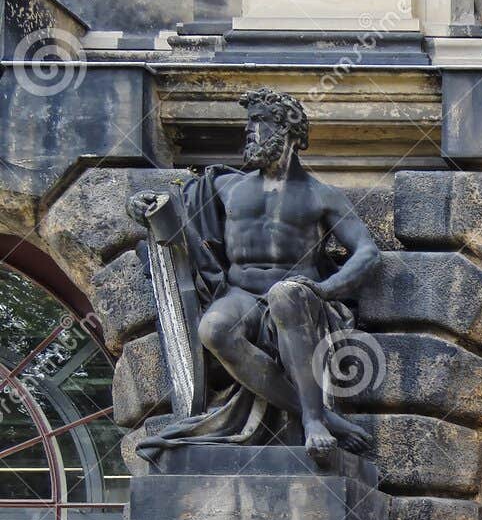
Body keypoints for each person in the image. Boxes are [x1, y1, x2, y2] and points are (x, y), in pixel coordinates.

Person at [131, 87, 380, 465]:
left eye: (260, 122)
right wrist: (144, 207)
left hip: (298, 295)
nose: (249, 131)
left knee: (285, 294)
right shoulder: (224, 185)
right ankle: (321, 415)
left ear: (289, 133)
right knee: (213, 329)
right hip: (240, 294)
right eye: (249, 122)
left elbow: (367, 252)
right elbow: (176, 219)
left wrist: (326, 290)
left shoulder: (320, 195)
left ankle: (314, 421)